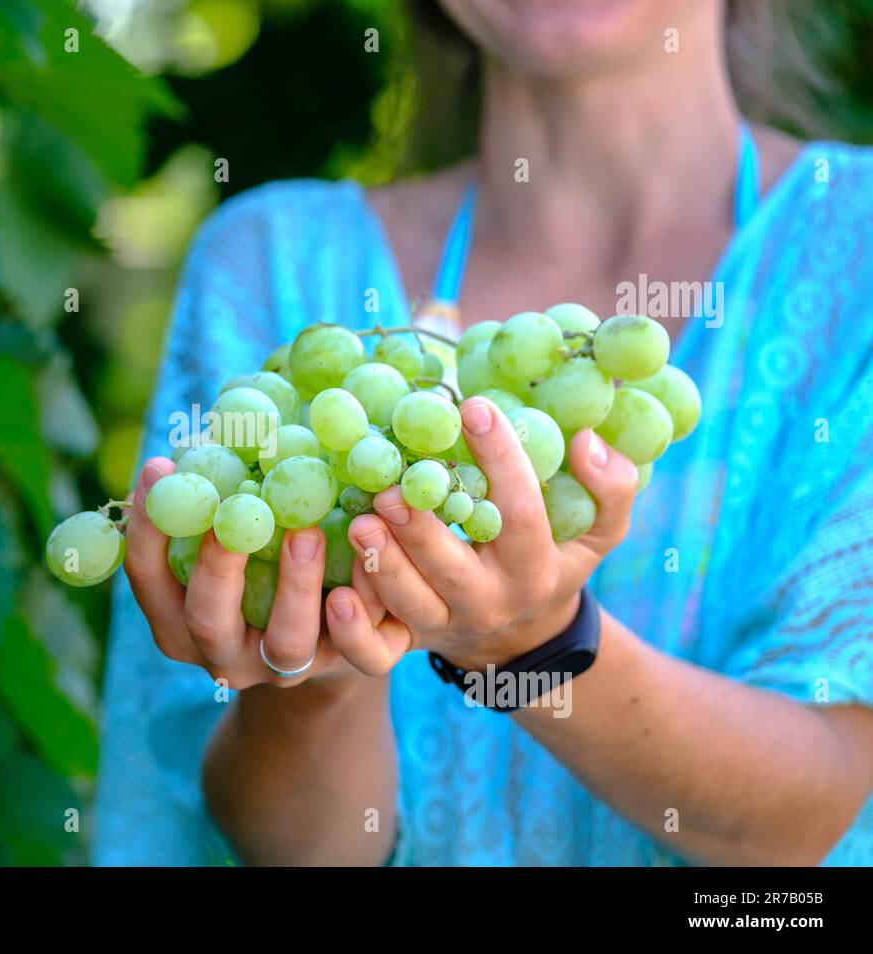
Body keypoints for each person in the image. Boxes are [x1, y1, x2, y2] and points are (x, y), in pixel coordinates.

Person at [94, 0, 873, 865]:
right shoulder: (268, 261)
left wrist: (533, 649)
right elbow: (297, 851)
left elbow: (813, 818)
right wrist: (312, 675)